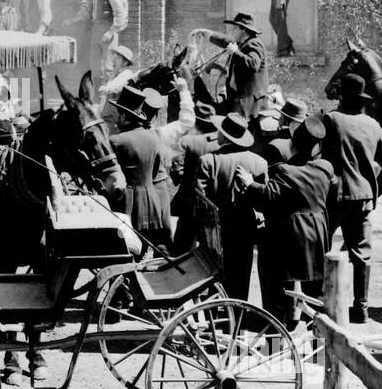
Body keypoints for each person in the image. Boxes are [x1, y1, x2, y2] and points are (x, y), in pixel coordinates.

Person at [235, 117, 335, 327]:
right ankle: (317, 354)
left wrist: (249, 184)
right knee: (316, 298)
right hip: (317, 236)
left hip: (288, 240)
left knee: (276, 298)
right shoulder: (325, 168)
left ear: (293, 143)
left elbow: (267, 198)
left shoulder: (284, 171)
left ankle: (276, 350)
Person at [323, 74, 382, 323]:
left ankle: (323, 301)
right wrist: (369, 176)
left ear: (343, 96)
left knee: (323, 245)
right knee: (361, 253)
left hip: (336, 195)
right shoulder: (373, 124)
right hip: (363, 196)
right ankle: (361, 308)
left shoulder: (331, 119)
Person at [178, 113, 267, 293]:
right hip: (245, 229)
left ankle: (216, 314)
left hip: (214, 231)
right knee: (241, 277)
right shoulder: (259, 163)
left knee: (212, 278)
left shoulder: (208, 161)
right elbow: (263, 199)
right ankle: (237, 315)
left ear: (225, 136)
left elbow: (199, 199)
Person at [108, 85, 174, 248]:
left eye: (117, 114)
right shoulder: (153, 137)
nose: (116, 118)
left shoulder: (117, 141)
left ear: (123, 115)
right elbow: (154, 172)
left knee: (125, 246)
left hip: (127, 204)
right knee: (145, 244)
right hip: (151, 200)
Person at [196, 11, 270, 118]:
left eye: (235, 28)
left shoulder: (254, 43)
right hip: (239, 100)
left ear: (243, 29)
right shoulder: (242, 43)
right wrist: (205, 33)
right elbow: (225, 41)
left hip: (250, 104)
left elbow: (253, 64)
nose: (233, 31)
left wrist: (235, 52)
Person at [68, 0, 124, 85]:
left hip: (108, 31)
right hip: (95, 30)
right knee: (94, 66)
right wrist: (72, 21)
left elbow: (120, 14)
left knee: (108, 66)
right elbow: (85, 12)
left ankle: (108, 97)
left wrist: (111, 32)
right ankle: (97, 98)